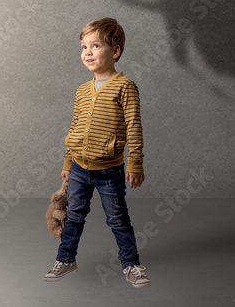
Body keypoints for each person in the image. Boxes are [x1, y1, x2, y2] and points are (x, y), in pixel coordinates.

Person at [44, 17, 150, 288]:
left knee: (117, 218)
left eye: (95, 45)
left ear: (114, 51)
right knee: (74, 215)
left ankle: (132, 264)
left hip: (109, 170)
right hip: (79, 168)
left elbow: (133, 126)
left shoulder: (125, 87)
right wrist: (68, 162)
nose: (87, 52)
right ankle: (65, 259)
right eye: (83, 47)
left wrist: (135, 162)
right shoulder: (82, 91)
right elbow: (75, 127)